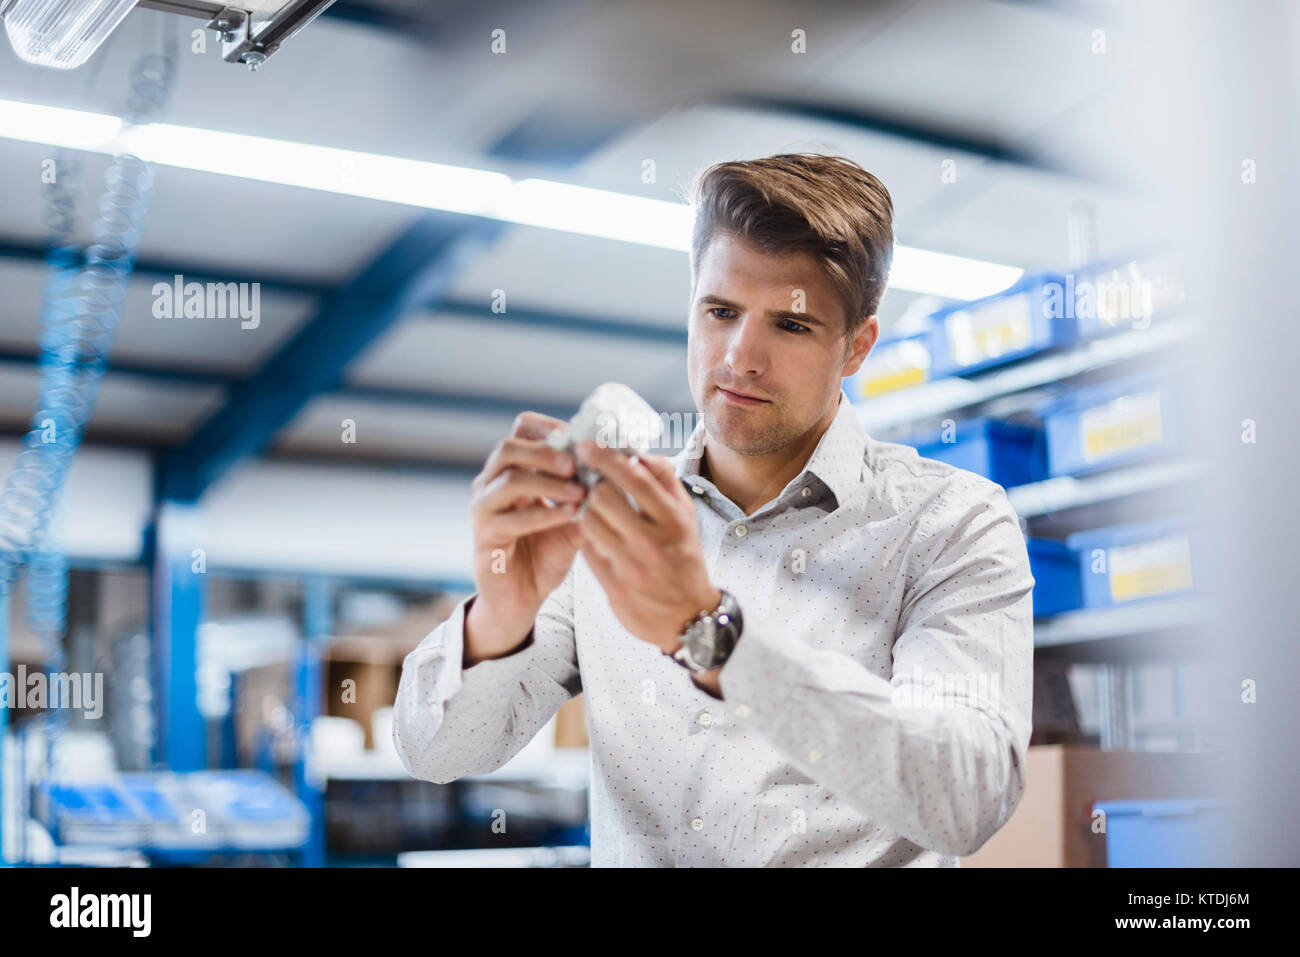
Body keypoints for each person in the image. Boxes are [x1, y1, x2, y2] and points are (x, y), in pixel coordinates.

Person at [393, 152, 1035, 866]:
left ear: (857, 346)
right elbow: (437, 750)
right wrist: (499, 616)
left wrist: (712, 635)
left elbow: (967, 796)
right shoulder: (608, 518)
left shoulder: (950, 523)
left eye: (790, 326)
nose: (739, 357)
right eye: (721, 311)